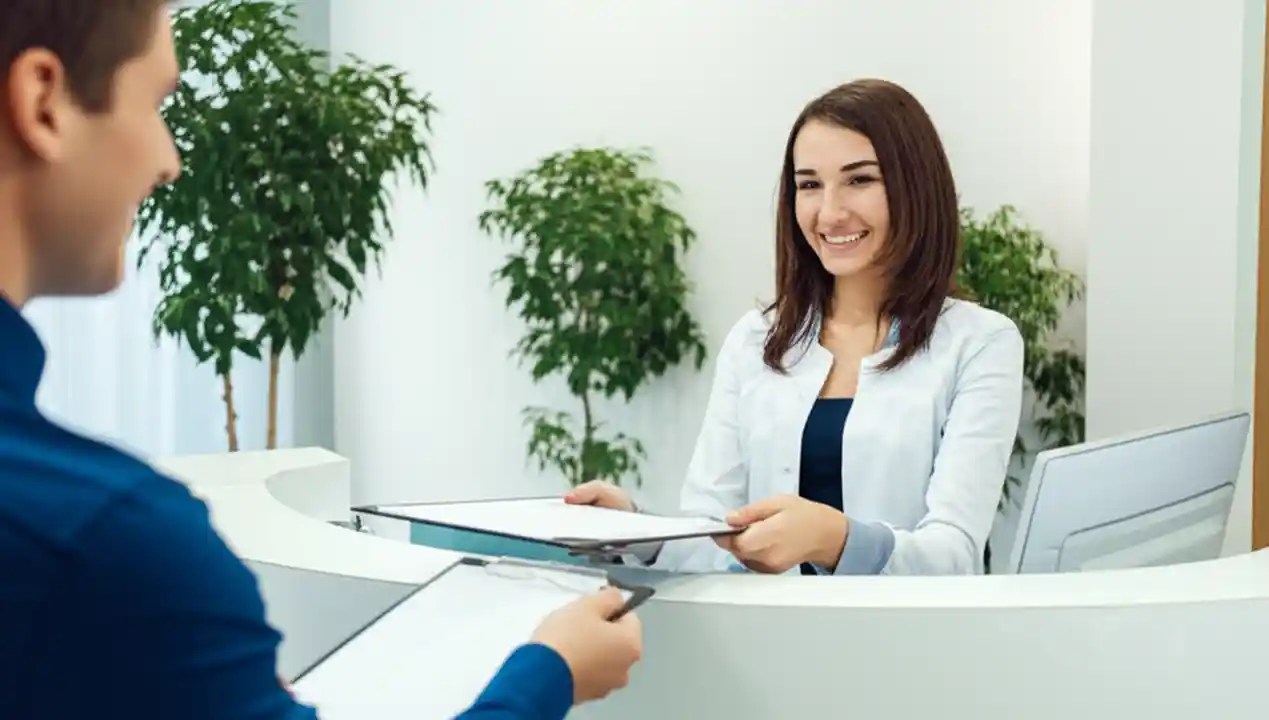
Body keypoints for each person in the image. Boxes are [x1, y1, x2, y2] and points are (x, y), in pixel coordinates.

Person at [0, 2, 641, 718]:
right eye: (155, 104)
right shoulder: (112, 543)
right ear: (43, 102)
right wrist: (548, 671)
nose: (170, 161)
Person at [567, 79, 1024, 577]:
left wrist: (833, 539)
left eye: (860, 180)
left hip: (905, 645)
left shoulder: (981, 344)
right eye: (809, 185)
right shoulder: (754, 340)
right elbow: (712, 533)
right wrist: (637, 531)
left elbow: (952, 557)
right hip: (767, 643)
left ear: (915, 185)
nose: (829, 212)